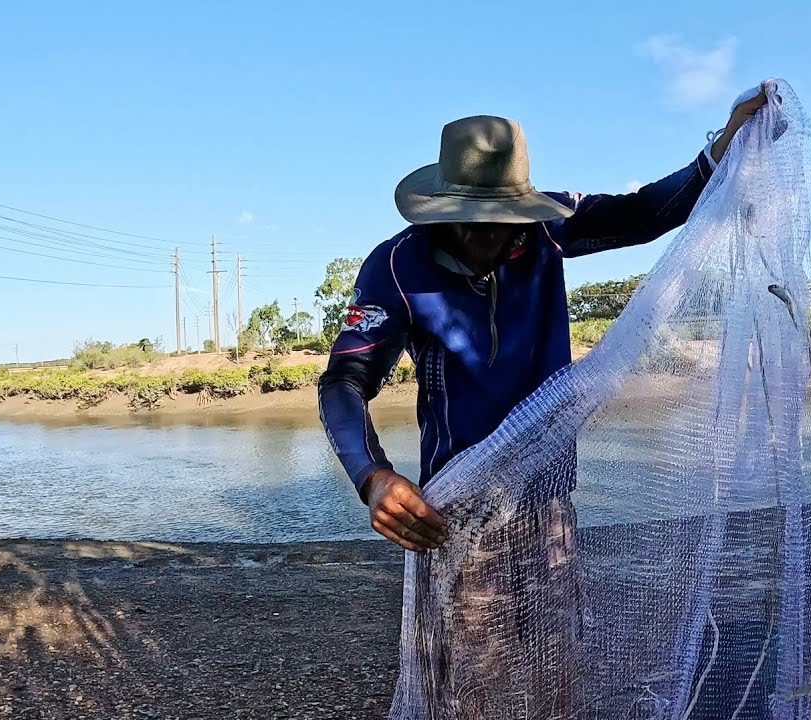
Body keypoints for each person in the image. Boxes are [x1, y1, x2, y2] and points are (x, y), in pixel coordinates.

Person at [318, 84, 772, 552]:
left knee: (554, 628)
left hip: (549, 500)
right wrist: (374, 477)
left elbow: (643, 214)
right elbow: (345, 381)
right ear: (442, 207)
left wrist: (725, 146)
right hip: (456, 508)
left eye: (503, 221)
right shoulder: (396, 266)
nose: (487, 239)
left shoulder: (545, 231)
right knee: (467, 628)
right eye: (471, 221)